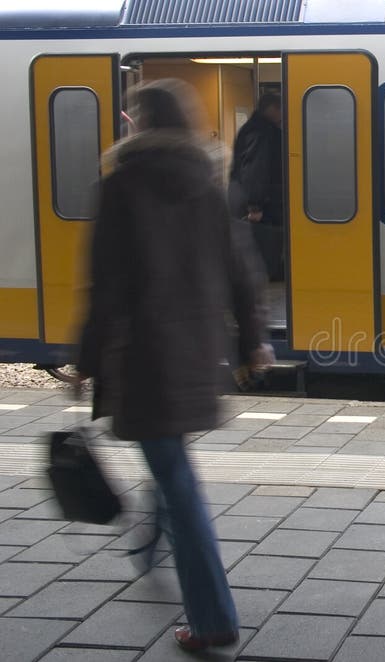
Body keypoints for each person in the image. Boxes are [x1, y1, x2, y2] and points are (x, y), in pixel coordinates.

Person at [76, 79, 273, 653]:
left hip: (144, 360)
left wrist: (87, 360)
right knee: (171, 461)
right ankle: (147, 547)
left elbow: (105, 286)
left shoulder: (119, 187)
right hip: (195, 355)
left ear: (137, 124)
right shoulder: (207, 187)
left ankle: (212, 619)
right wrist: (252, 342)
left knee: (178, 481)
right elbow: (241, 271)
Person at [228, 93, 285, 282]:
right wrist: (255, 206)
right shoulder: (262, 133)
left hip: (255, 201)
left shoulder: (253, 129)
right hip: (260, 207)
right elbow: (255, 169)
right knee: (265, 258)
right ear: (272, 109)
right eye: (280, 109)